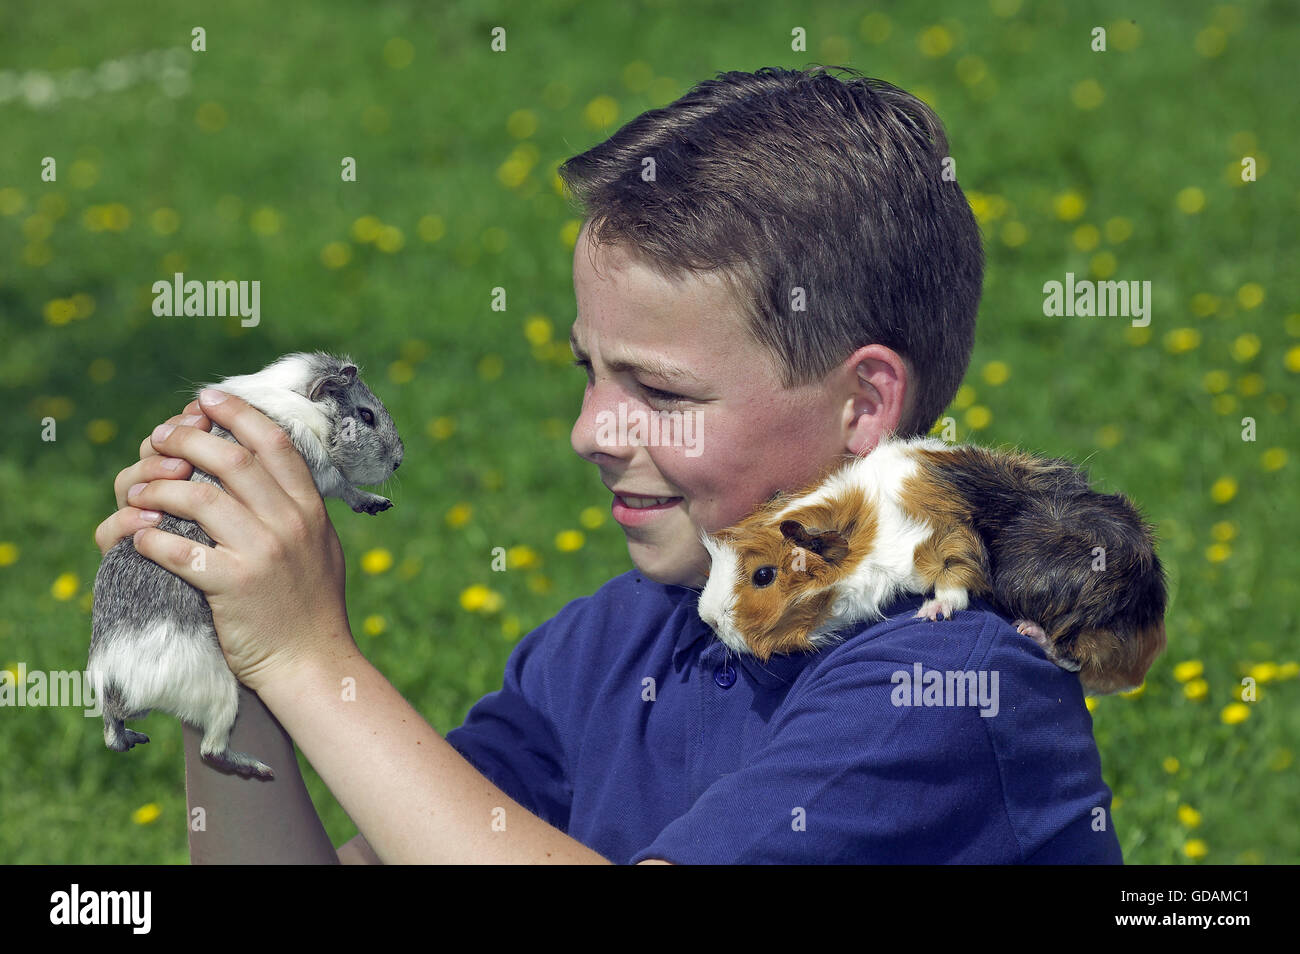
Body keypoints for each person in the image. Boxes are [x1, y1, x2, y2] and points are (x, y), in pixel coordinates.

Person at [94, 66, 1122, 863]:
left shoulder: (948, 684)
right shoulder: (607, 649)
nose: (591, 431)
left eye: (660, 393)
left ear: (861, 406)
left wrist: (314, 660)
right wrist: (221, 645)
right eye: (590, 372)